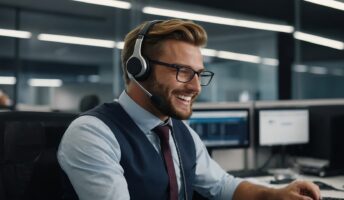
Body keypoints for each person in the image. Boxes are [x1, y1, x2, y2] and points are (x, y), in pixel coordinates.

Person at [57, 19, 321, 200]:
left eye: (199, 74)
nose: (196, 87)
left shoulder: (179, 133)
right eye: (182, 71)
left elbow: (222, 186)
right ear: (138, 69)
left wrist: (277, 194)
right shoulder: (93, 134)